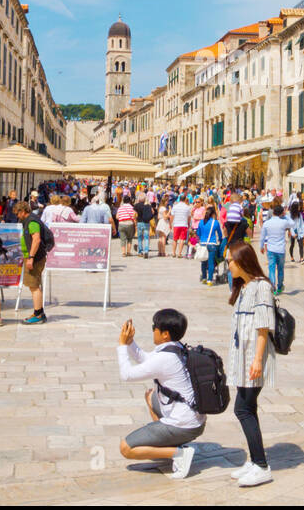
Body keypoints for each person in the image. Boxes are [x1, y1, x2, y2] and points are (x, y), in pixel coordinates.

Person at [116, 309, 205, 479]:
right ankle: (167, 446)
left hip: (184, 425)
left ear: (164, 334)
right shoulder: (176, 348)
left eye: (154, 327)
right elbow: (146, 359)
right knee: (150, 395)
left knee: (126, 448)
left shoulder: (165, 358)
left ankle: (178, 454)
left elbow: (126, 375)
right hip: (193, 420)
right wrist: (130, 343)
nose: (152, 330)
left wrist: (121, 346)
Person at [226, 241, 276, 487]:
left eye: (230, 261)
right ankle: (255, 461)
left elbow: (263, 327)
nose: (228, 266)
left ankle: (262, 465)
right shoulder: (244, 287)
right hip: (241, 357)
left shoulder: (261, 288)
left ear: (242, 260)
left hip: (253, 359)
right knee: (249, 408)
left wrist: (257, 359)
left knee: (242, 409)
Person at [13, 200, 50, 325]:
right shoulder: (29, 220)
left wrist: (31, 257)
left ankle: (38, 314)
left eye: (17, 214)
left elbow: (36, 239)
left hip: (34, 258)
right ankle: (38, 312)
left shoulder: (32, 222)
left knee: (34, 286)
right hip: (31, 257)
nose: (17, 216)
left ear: (23, 211)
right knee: (33, 285)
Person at [259, 203, 291, 295]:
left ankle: (273, 287)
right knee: (280, 269)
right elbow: (291, 224)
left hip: (271, 249)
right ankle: (280, 286)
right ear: (281, 213)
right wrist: (286, 216)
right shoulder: (284, 222)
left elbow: (262, 236)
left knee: (271, 269)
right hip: (281, 249)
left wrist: (261, 246)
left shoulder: (267, 223)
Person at [196, 205, 224, 285]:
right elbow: (220, 234)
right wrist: (221, 240)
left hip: (203, 244)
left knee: (203, 262)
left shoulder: (201, 222)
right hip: (212, 244)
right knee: (211, 262)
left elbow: (198, 233)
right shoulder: (215, 222)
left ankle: (204, 277)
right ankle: (210, 280)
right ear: (213, 214)